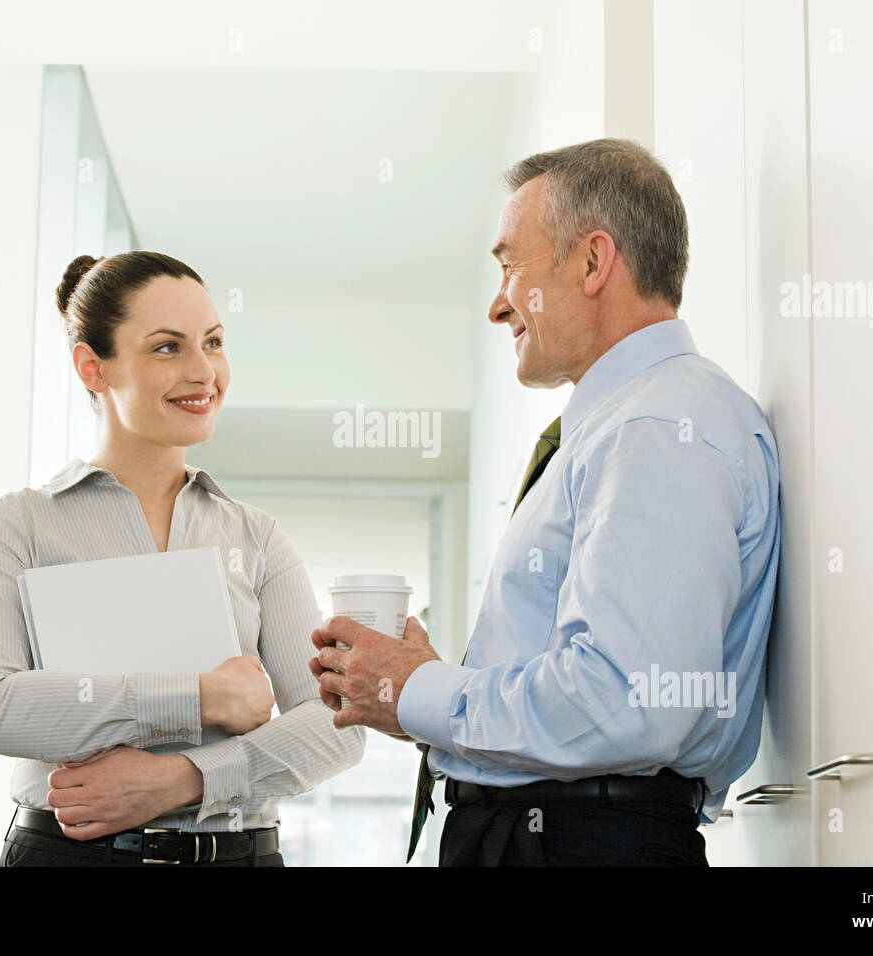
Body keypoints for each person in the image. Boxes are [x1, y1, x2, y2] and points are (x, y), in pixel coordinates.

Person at [311, 138, 781, 866]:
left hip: (580, 844)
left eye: (510, 267)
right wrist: (421, 694)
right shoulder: (623, 426)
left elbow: (626, 702)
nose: (499, 306)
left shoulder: (658, 428)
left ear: (594, 262)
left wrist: (423, 691)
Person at [0, 251, 365, 866]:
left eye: (214, 342)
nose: (204, 372)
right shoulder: (20, 523)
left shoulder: (257, 539)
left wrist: (185, 777)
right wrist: (197, 698)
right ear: (92, 368)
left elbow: (337, 728)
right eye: (167, 348)